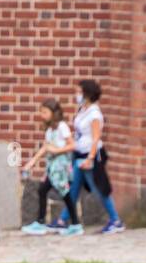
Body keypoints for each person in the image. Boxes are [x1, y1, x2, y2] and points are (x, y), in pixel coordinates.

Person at [52, 79, 124, 234]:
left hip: (91, 155)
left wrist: (90, 157)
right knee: (74, 188)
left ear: (88, 94)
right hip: (79, 153)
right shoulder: (82, 110)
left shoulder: (95, 114)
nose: (77, 95)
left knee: (99, 187)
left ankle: (115, 220)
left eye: (79, 92)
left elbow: (96, 137)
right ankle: (62, 219)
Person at [20, 99, 80, 236]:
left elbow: (72, 145)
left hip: (60, 167)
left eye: (45, 112)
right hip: (52, 167)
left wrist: (57, 150)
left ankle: (75, 224)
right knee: (43, 190)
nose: (42, 115)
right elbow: (45, 147)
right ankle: (41, 223)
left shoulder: (62, 127)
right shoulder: (49, 129)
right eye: (41, 112)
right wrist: (32, 161)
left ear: (54, 113)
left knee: (64, 193)